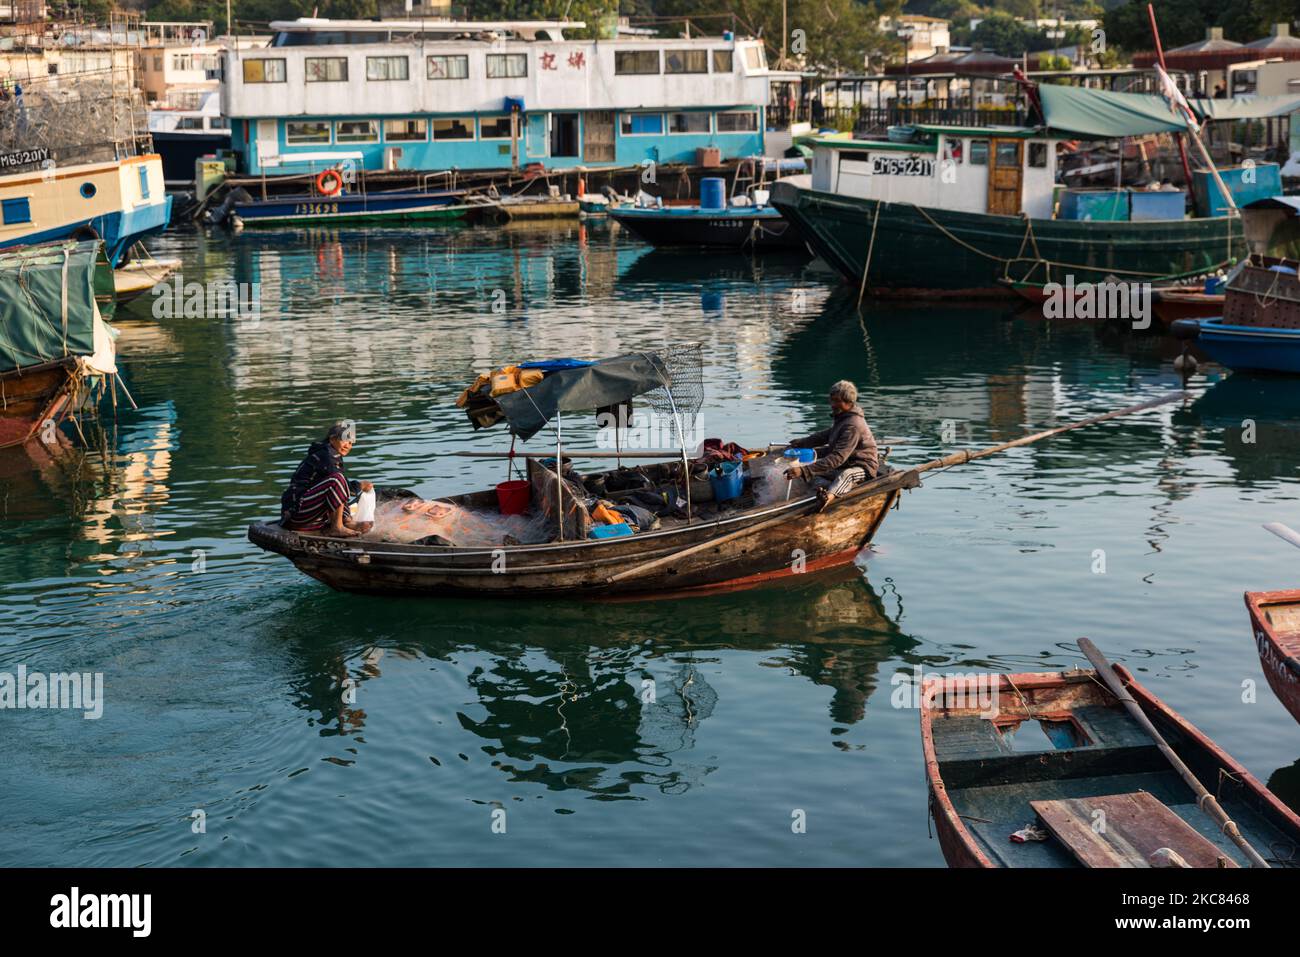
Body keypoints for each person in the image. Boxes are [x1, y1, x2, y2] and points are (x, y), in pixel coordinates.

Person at [785, 380, 879, 511]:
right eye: (831, 400)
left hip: (862, 466)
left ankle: (828, 497)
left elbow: (837, 458)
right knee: (814, 476)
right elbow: (825, 436)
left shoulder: (852, 425)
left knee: (847, 475)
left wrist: (803, 470)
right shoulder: (842, 418)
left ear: (849, 402)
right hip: (844, 463)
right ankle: (821, 491)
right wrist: (803, 442)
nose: (832, 404)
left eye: (836, 401)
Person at [281, 420, 372, 537]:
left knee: (339, 482)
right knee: (337, 480)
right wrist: (361, 485)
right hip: (297, 513)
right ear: (332, 439)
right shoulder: (325, 455)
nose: (348, 446)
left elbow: (343, 489)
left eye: (350, 443)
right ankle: (337, 527)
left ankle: (346, 522)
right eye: (344, 441)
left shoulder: (332, 454)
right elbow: (348, 489)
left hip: (309, 514)